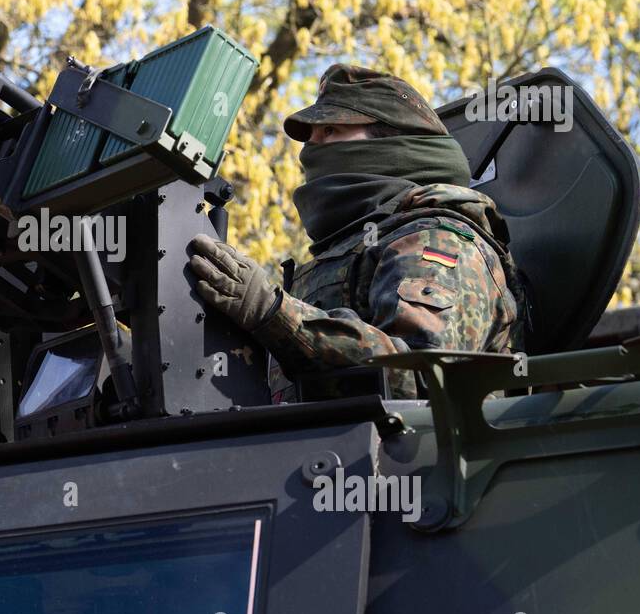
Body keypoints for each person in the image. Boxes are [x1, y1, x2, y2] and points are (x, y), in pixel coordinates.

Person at [188, 64, 526, 399]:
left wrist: (274, 312)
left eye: (331, 131)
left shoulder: (437, 238)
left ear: (390, 141)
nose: (311, 150)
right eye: (311, 137)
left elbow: (424, 380)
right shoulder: (344, 251)